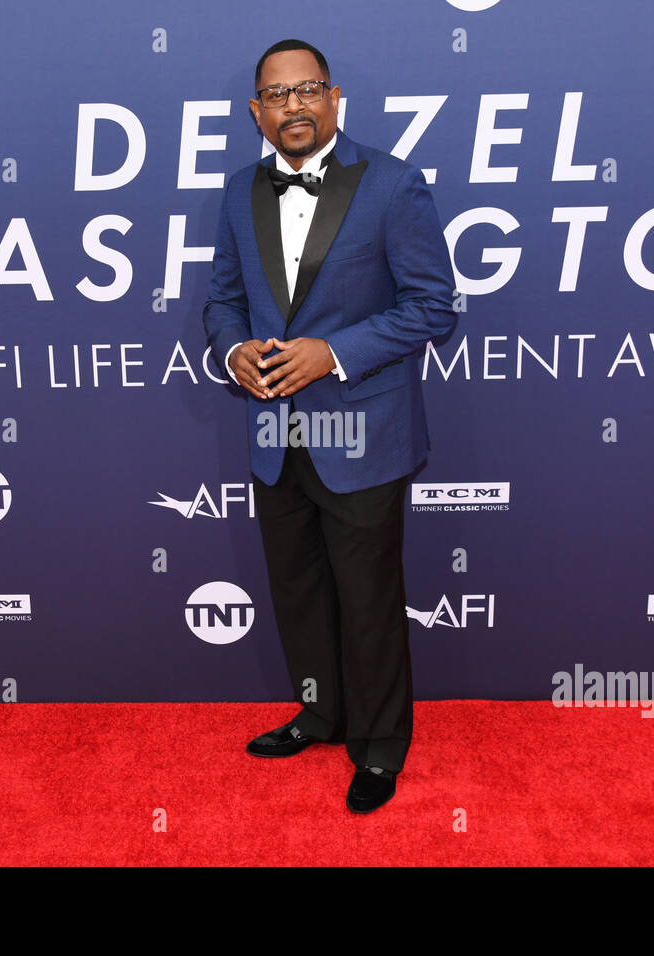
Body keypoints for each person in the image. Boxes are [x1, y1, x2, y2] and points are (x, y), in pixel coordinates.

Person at [202, 38, 456, 813]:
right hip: (275, 438)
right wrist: (235, 349)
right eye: (278, 96)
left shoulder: (392, 183)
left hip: (364, 435)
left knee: (369, 599)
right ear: (258, 112)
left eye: (308, 89)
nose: (295, 106)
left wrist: (331, 355)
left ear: (334, 98)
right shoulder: (241, 189)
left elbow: (433, 306)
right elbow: (221, 299)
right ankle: (319, 713)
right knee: (299, 591)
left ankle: (379, 748)